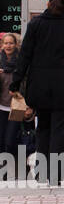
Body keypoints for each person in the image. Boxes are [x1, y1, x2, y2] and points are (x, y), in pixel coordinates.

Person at [10, 0, 64, 185]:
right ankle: (56, 174)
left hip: (38, 85)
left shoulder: (35, 25)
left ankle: (41, 171)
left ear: (48, 4)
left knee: (42, 128)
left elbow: (24, 56)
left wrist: (15, 82)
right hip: (63, 85)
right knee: (59, 129)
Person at [1, 32, 25, 177]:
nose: (8, 46)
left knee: (10, 141)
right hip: (1, 107)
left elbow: (26, 82)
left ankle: (13, 169)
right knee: (1, 141)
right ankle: (3, 173)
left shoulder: (21, 62)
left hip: (16, 107)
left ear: (16, 45)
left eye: (11, 43)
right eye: (6, 43)